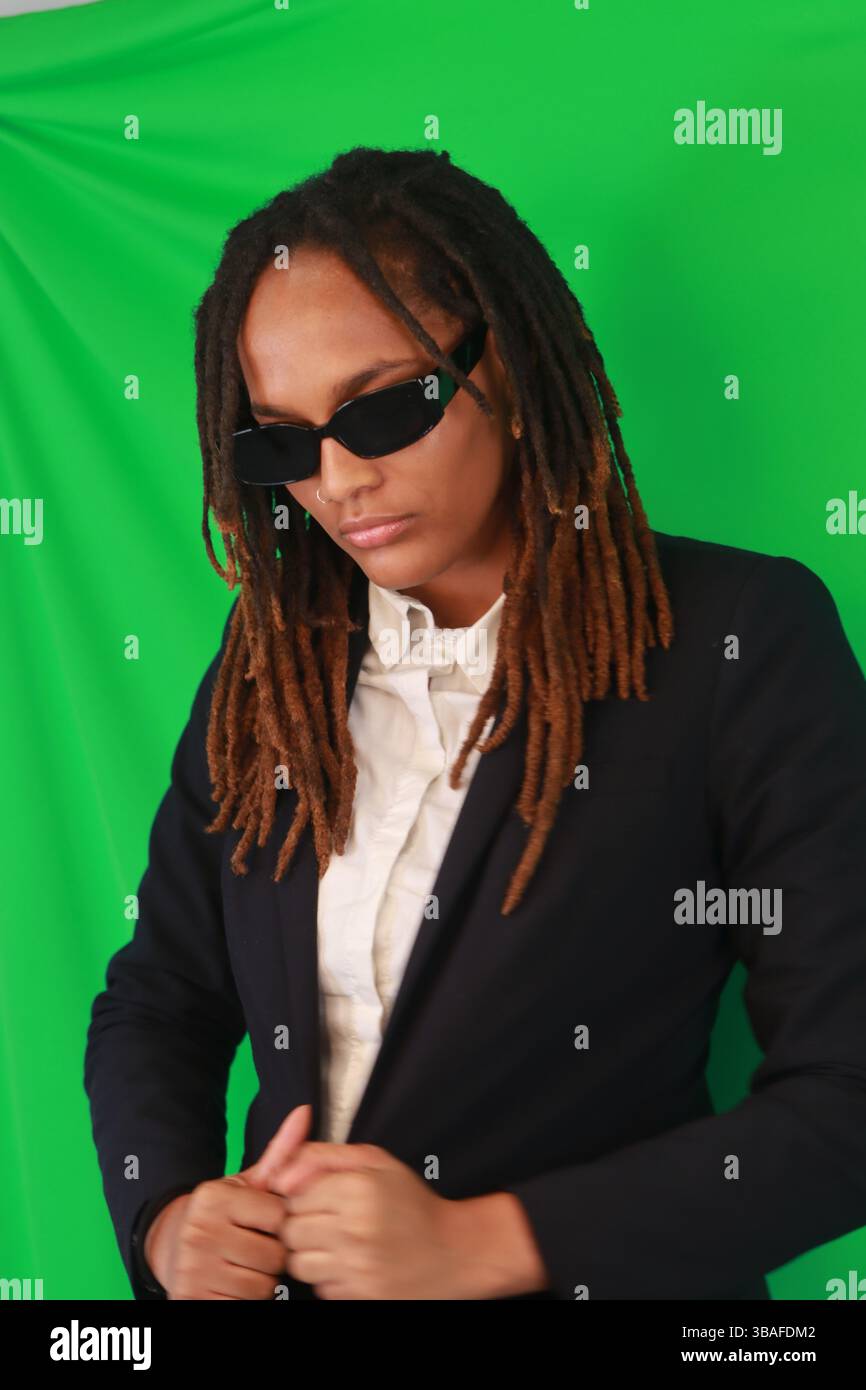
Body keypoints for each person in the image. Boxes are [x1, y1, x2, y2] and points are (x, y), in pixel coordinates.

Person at [85, 145, 866, 1301]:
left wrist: (484, 1243)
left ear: (498, 357)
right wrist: (165, 1219)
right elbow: (160, 996)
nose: (336, 479)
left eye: (384, 406)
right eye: (281, 441)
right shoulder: (267, 672)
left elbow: (845, 1098)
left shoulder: (733, 641)